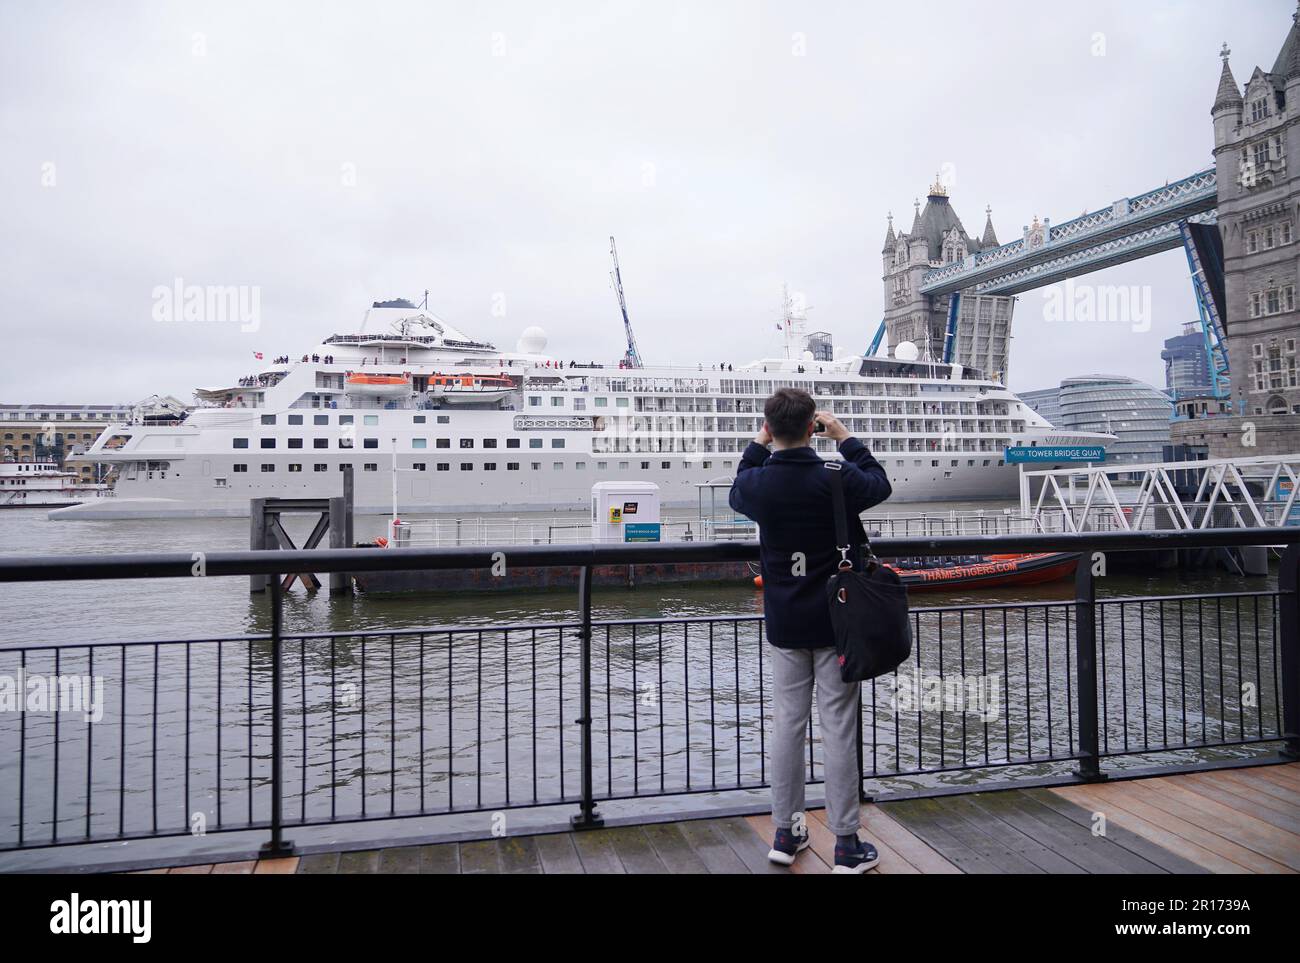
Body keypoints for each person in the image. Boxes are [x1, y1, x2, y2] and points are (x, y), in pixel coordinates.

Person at [729, 387, 892, 874]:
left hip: (784, 620)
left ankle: (785, 831)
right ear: (811, 428)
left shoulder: (757, 483)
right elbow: (880, 484)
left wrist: (760, 442)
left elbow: (740, 481)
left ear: (769, 427)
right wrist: (843, 436)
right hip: (836, 618)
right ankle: (845, 844)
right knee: (838, 727)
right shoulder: (836, 477)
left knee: (787, 725)